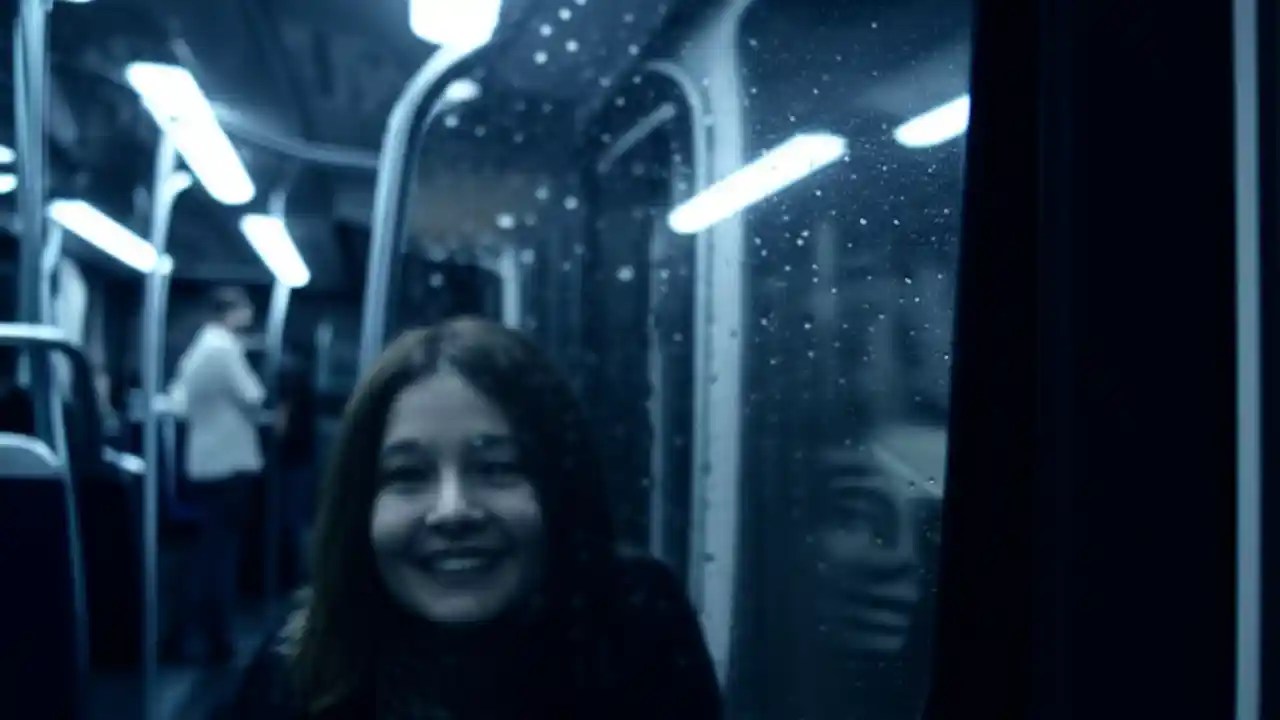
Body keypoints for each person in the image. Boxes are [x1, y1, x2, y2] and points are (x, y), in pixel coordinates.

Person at [229, 317, 721, 719]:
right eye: (408, 474)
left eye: (498, 468)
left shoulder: (636, 622)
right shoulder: (297, 672)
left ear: (561, 492)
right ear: (360, 510)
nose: (453, 511)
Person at [166, 286, 266, 663]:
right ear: (231, 312)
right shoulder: (224, 348)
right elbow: (253, 396)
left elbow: (179, 401)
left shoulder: (197, 350)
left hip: (204, 463)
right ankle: (216, 638)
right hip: (230, 463)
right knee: (220, 555)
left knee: (207, 551)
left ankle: (189, 634)